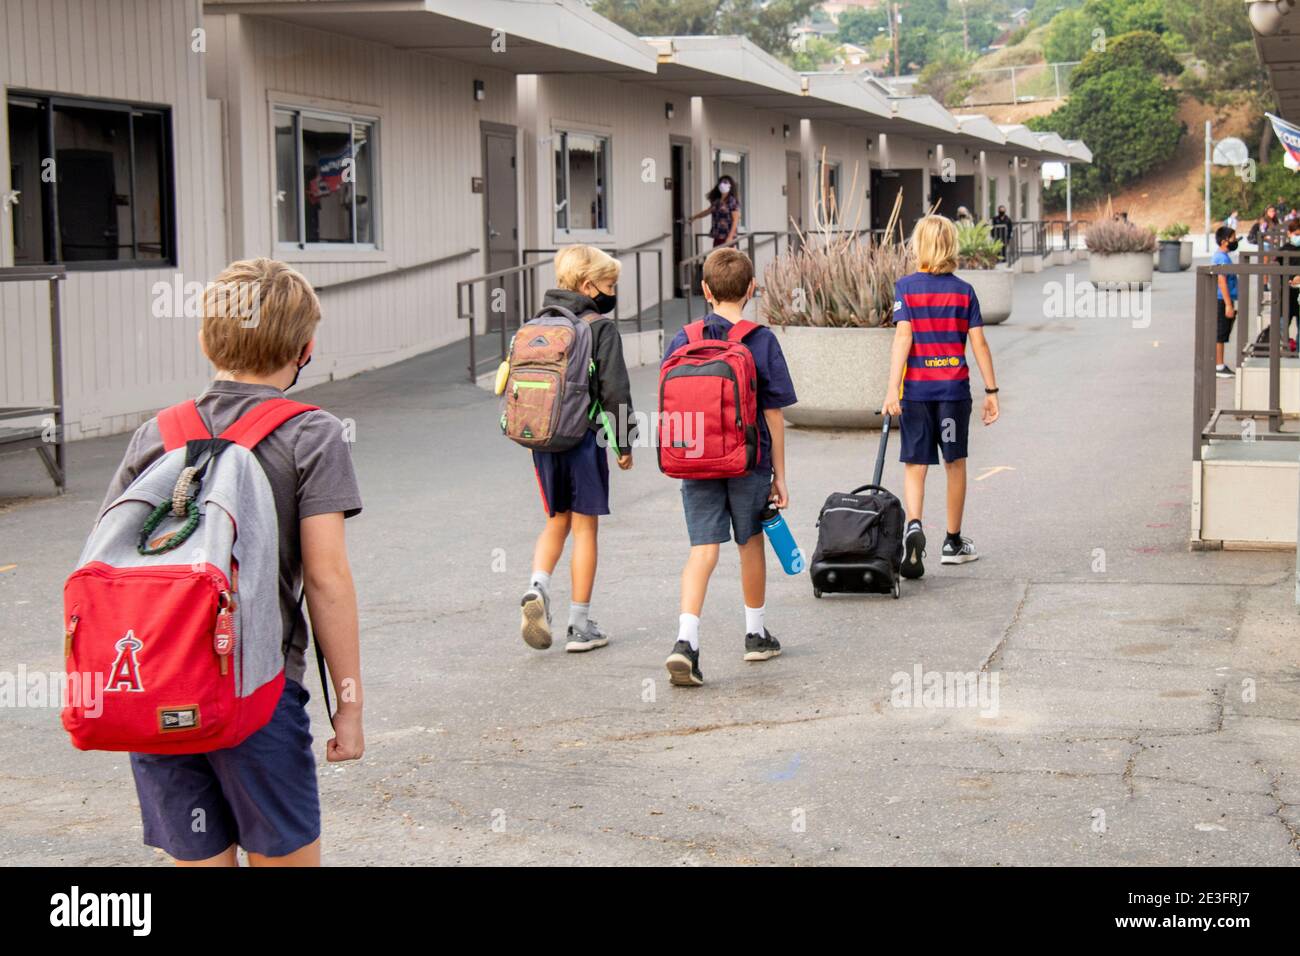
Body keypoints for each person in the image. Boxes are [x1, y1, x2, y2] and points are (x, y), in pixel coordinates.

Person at [102, 258, 365, 866]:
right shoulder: (312, 434)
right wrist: (347, 707)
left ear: (204, 339)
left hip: (160, 688)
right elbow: (327, 580)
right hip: (257, 693)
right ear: (306, 348)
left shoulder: (154, 435)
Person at [662, 247, 797, 687]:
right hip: (748, 461)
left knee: (702, 550)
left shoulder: (683, 338)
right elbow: (774, 416)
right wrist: (780, 475)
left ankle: (686, 641)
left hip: (696, 460)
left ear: (704, 290)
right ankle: (755, 635)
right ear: (752, 289)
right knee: (750, 544)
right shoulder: (760, 339)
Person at [520, 245, 635, 654]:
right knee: (586, 528)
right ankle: (579, 625)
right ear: (589, 286)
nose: (612, 291)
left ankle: (538, 586)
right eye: (610, 284)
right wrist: (624, 443)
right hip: (584, 439)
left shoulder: (537, 323)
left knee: (556, 521)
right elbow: (615, 391)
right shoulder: (599, 327)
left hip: (543, 439)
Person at [882, 215, 1000, 577]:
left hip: (916, 392)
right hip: (952, 392)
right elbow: (978, 342)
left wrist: (892, 390)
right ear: (952, 246)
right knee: (954, 463)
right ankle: (952, 541)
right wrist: (991, 390)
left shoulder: (906, 288)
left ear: (919, 247)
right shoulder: (964, 291)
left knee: (915, 465)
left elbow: (903, 338)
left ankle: (914, 526)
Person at [1212, 225, 1239, 379]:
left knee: (1223, 332)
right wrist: (1228, 304)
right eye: (1233, 239)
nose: (1235, 241)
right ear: (1224, 241)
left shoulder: (1224, 257)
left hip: (1226, 299)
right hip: (1222, 299)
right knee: (1220, 333)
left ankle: (1219, 363)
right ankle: (1218, 365)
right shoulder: (1221, 258)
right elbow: (1222, 281)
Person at [687, 175, 742, 250]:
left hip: (727, 236)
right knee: (717, 257)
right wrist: (694, 217)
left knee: (725, 258)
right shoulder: (717, 201)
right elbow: (707, 211)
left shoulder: (732, 201)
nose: (723, 185)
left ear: (730, 186)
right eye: (721, 183)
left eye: (725, 183)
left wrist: (730, 237)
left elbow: (735, 220)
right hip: (718, 235)